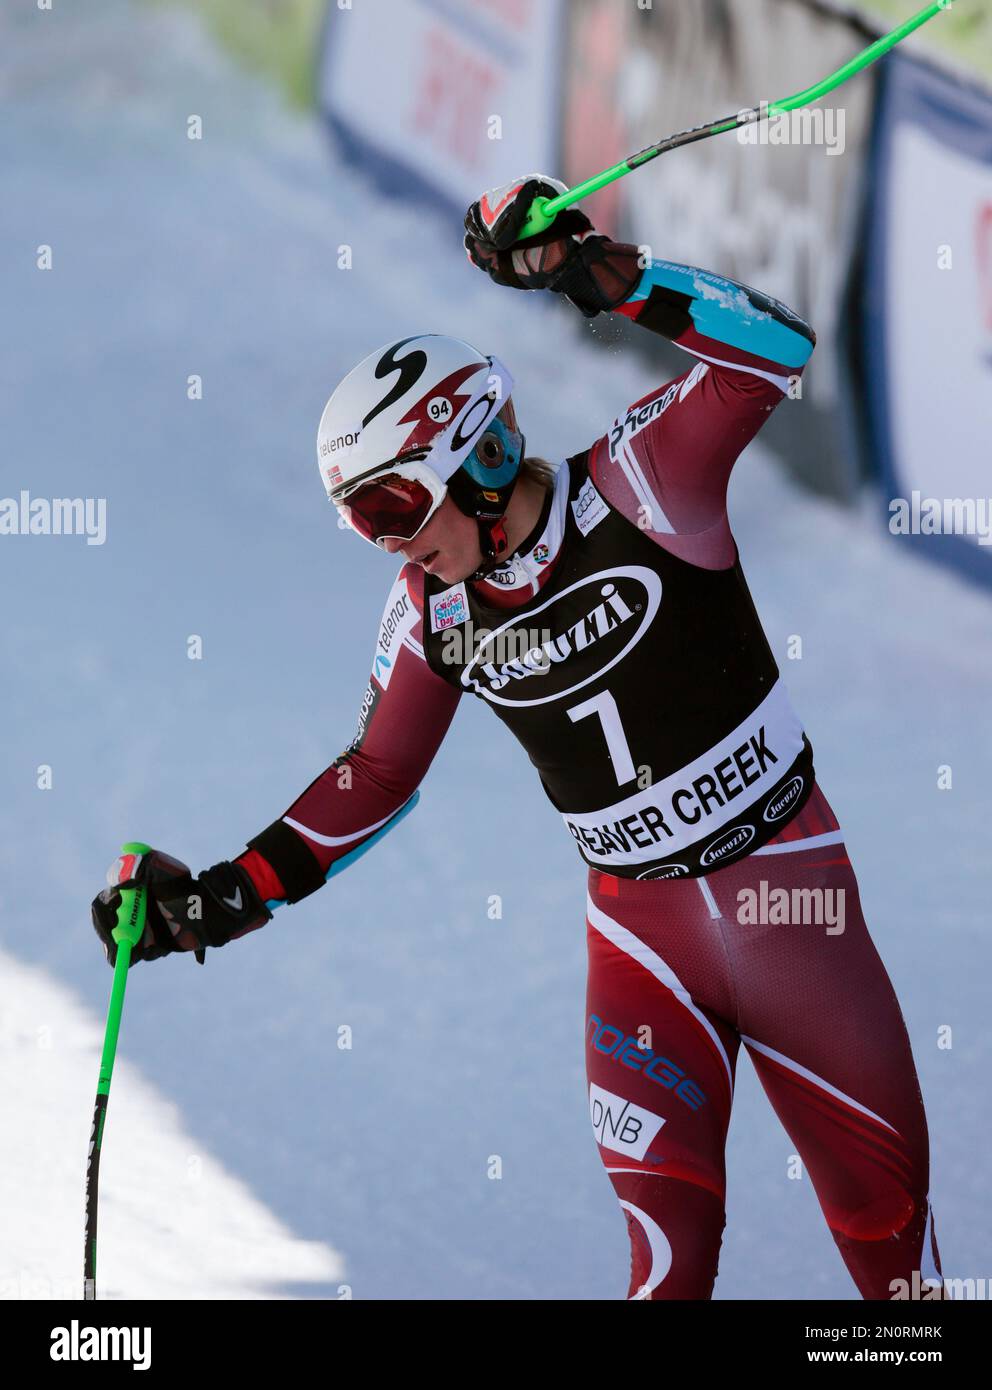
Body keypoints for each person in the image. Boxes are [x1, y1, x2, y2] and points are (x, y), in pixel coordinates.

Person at [92, 176, 945, 1301]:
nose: (387, 547)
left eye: (392, 511)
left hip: (790, 904)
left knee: (894, 1267)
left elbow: (772, 352)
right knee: (664, 1270)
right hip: (641, 950)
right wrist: (215, 900)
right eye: (361, 524)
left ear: (476, 460)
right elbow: (377, 774)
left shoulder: (641, 480)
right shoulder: (431, 610)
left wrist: (601, 273)